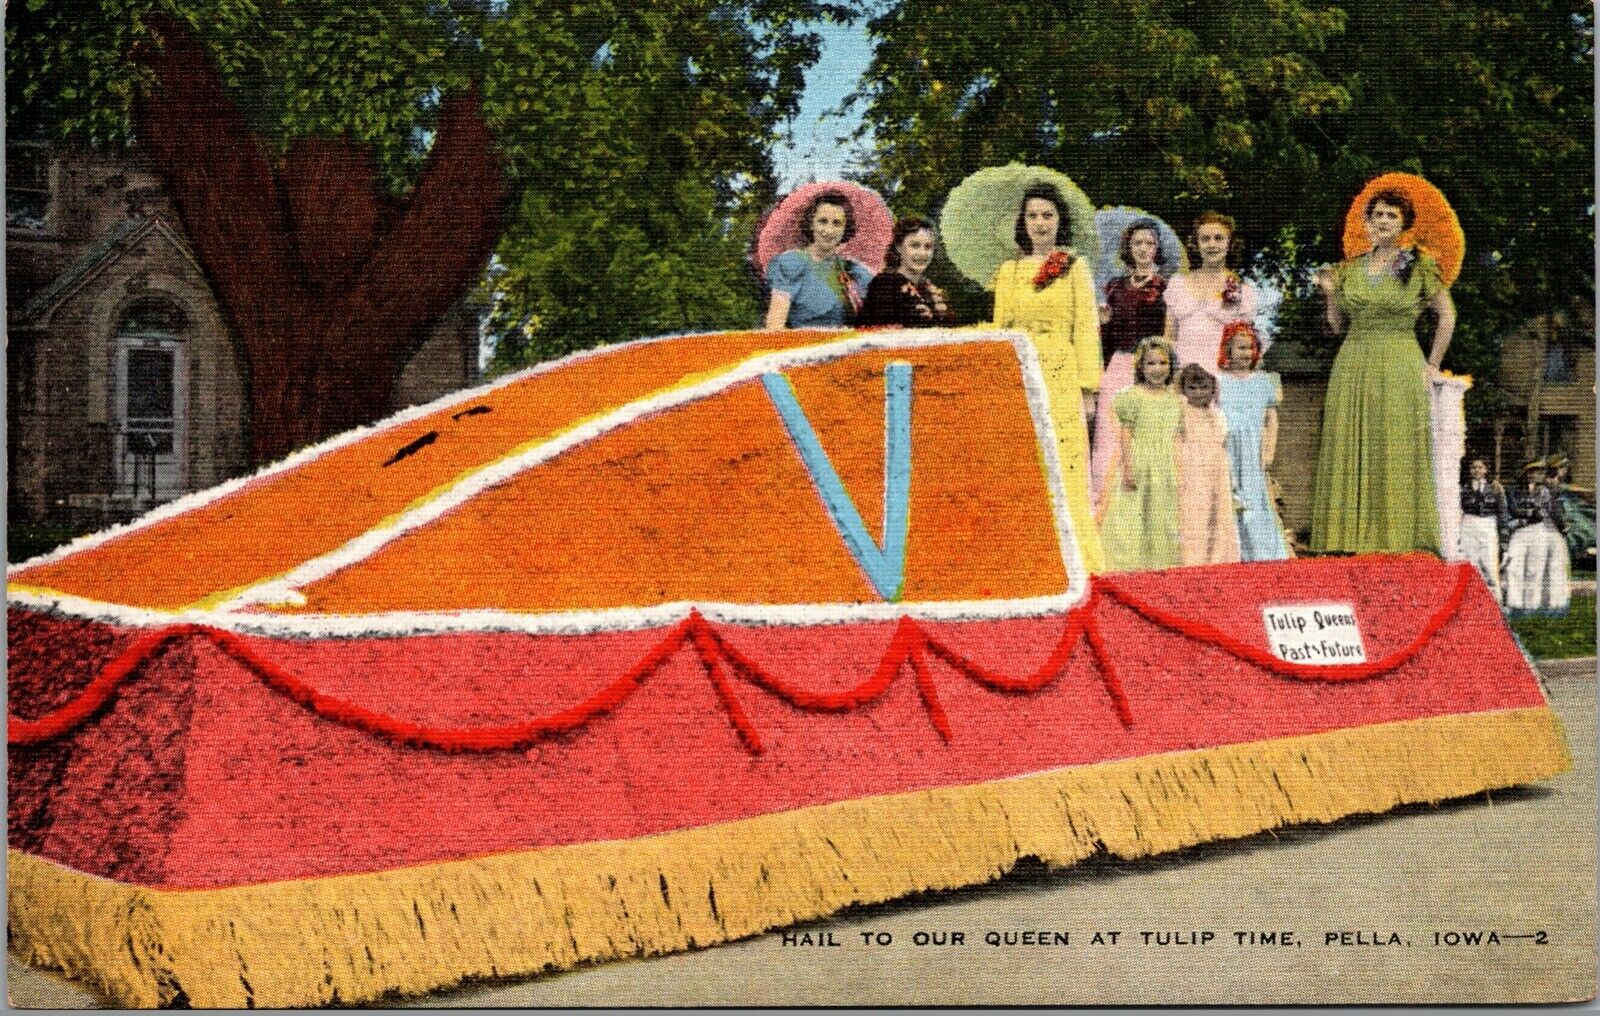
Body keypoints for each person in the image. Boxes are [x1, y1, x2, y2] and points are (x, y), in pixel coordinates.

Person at [1309, 188, 1456, 554]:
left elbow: (1447, 315)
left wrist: (1433, 363)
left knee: (1394, 444)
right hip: (1353, 361)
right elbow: (1337, 325)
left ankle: (1397, 539)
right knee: (1349, 442)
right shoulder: (1349, 269)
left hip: (1399, 361)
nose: (1384, 221)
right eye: (1378, 215)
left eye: (1392, 215)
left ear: (1404, 223)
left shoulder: (1417, 264)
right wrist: (1330, 293)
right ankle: (1347, 540)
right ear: (1367, 221)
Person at [992, 183, 1105, 572]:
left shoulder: (1074, 268)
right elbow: (1000, 330)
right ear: (1022, 223)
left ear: (1059, 221)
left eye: (1048, 215)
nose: (1040, 223)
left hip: (1061, 370)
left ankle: (1075, 558)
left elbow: (1086, 327)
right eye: (1033, 216)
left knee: (1064, 457)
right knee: (1025, 459)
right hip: (1022, 371)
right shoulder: (1009, 271)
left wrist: (1088, 389)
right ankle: (1027, 556)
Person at [1090, 218, 1170, 506]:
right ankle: (1104, 505)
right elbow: (1107, 341)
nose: (1144, 248)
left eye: (1150, 243)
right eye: (1138, 243)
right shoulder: (1114, 287)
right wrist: (1104, 323)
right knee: (1109, 433)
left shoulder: (1166, 288)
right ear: (1129, 247)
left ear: (1157, 248)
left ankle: (1143, 505)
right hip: (1118, 366)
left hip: (1149, 369)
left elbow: (1168, 336)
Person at [1099, 337, 1182, 573]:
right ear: (1140, 367)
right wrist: (1127, 468)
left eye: (1163, 363)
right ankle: (1127, 564)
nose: (1157, 369)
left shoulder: (1176, 399)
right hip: (1137, 462)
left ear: (1171, 366)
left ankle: (1158, 563)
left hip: (1164, 465)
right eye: (1151, 363)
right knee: (1130, 514)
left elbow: (1176, 438)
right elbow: (1125, 435)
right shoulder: (1132, 397)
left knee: (1160, 514)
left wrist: (1179, 467)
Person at [1215, 321, 1290, 562]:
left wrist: (1268, 451)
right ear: (1227, 350)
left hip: (1253, 451)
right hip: (1228, 448)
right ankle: (1233, 552)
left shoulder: (1262, 381)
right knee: (1230, 498)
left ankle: (1261, 552)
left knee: (1256, 501)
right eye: (1240, 348)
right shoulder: (1219, 382)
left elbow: (1271, 419)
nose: (1246, 353)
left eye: (1250, 348)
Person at [1163, 212, 1259, 377]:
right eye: (1205, 239)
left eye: (1218, 238)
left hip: (1223, 378)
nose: (1212, 244)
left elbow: (1245, 347)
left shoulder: (1242, 291)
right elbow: (1169, 337)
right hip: (1185, 378)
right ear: (1196, 244)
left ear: (1230, 244)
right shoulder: (1178, 284)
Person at [763, 191, 874, 329]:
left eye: (837, 223)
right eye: (823, 221)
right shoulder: (792, 263)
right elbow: (774, 326)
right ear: (811, 224)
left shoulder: (853, 270)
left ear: (845, 229)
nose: (829, 230)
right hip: (801, 341)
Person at [1174, 364, 1240, 566]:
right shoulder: (1182, 413)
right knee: (1194, 514)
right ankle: (1192, 559)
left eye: (1204, 387)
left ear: (1213, 389)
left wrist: (1229, 477)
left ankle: (1217, 558)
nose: (1198, 393)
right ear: (1183, 390)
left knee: (1217, 512)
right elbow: (1175, 443)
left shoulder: (1217, 415)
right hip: (1192, 471)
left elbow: (1223, 444)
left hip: (1215, 470)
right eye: (1192, 388)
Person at [857, 218, 956, 327]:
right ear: (899, 247)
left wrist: (941, 316)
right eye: (915, 245)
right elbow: (883, 330)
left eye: (928, 247)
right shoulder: (885, 284)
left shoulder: (928, 288)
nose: (922, 253)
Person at [1503, 460, 1570, 616]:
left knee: (1534, 569)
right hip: (1519, 530)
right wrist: (1531, 513)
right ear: (1525, 473)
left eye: (1538, 472)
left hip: (1537, 530)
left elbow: (1549, 511)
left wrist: (1562, 526)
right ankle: (1514, 603)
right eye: (1531, 471)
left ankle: (1530, 605)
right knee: (1513, 566)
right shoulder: (1515, 490)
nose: (1534, 475)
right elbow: (1513, 509)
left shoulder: (1544, 492)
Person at [1458, 457, 1507, 602]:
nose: (1476, 470)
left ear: (1486, 470)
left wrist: (1504, 535)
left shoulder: (1495, 487)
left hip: (1488, 524)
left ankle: (1496, 602)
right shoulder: (1463, 488)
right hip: (1469, 524)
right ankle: (1472, 602)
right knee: (1470, 563)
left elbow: (1502, 512)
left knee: (1490, 563)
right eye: (1473, 467)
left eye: (1480, 467)